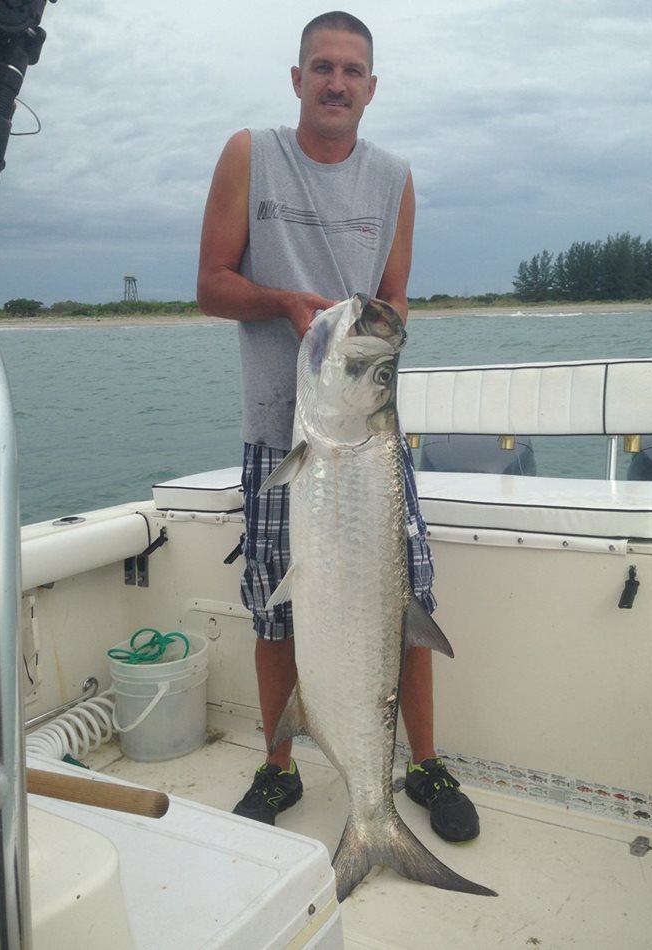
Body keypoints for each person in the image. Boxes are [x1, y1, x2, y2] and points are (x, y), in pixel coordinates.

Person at [197, 10, 479, 844]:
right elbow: (211, 285)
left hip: (369, 441)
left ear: (371, 88)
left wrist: (375, 329)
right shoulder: (251, 154)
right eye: (322, 67)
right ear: (297, 79)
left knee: (405, 598)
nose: (336, 83)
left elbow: (393, 304)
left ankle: (422, 763)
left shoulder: (393, 180)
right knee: (275, 610)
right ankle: (279, 767)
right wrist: (283, 302)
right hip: (278, 430)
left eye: (352, 71)